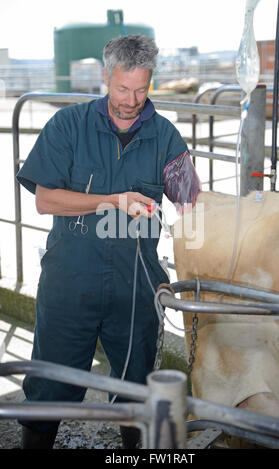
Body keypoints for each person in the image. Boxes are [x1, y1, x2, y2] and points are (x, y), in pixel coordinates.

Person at [16, 34, 201, 449]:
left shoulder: (167, 138)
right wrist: (113, 200)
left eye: (141, 89)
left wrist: (200, 238)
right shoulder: (67, 126)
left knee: (136, 392)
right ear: (105, 77)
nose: (132, 100)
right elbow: (45, 201)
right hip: (70, 280)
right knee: (49, 384)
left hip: (136, 286)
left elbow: (192, 206)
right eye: (122, 88)